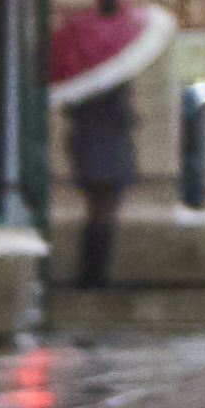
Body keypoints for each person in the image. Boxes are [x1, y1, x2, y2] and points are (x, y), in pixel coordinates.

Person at [62, 73, 143, 292]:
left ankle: (91, 272)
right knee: (103, 213)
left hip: (89, 152)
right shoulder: (113, 83)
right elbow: (121, 116)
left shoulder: (78, 85)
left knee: (97, 211)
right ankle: (94, 274)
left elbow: (69, 112)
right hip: (107, 156)